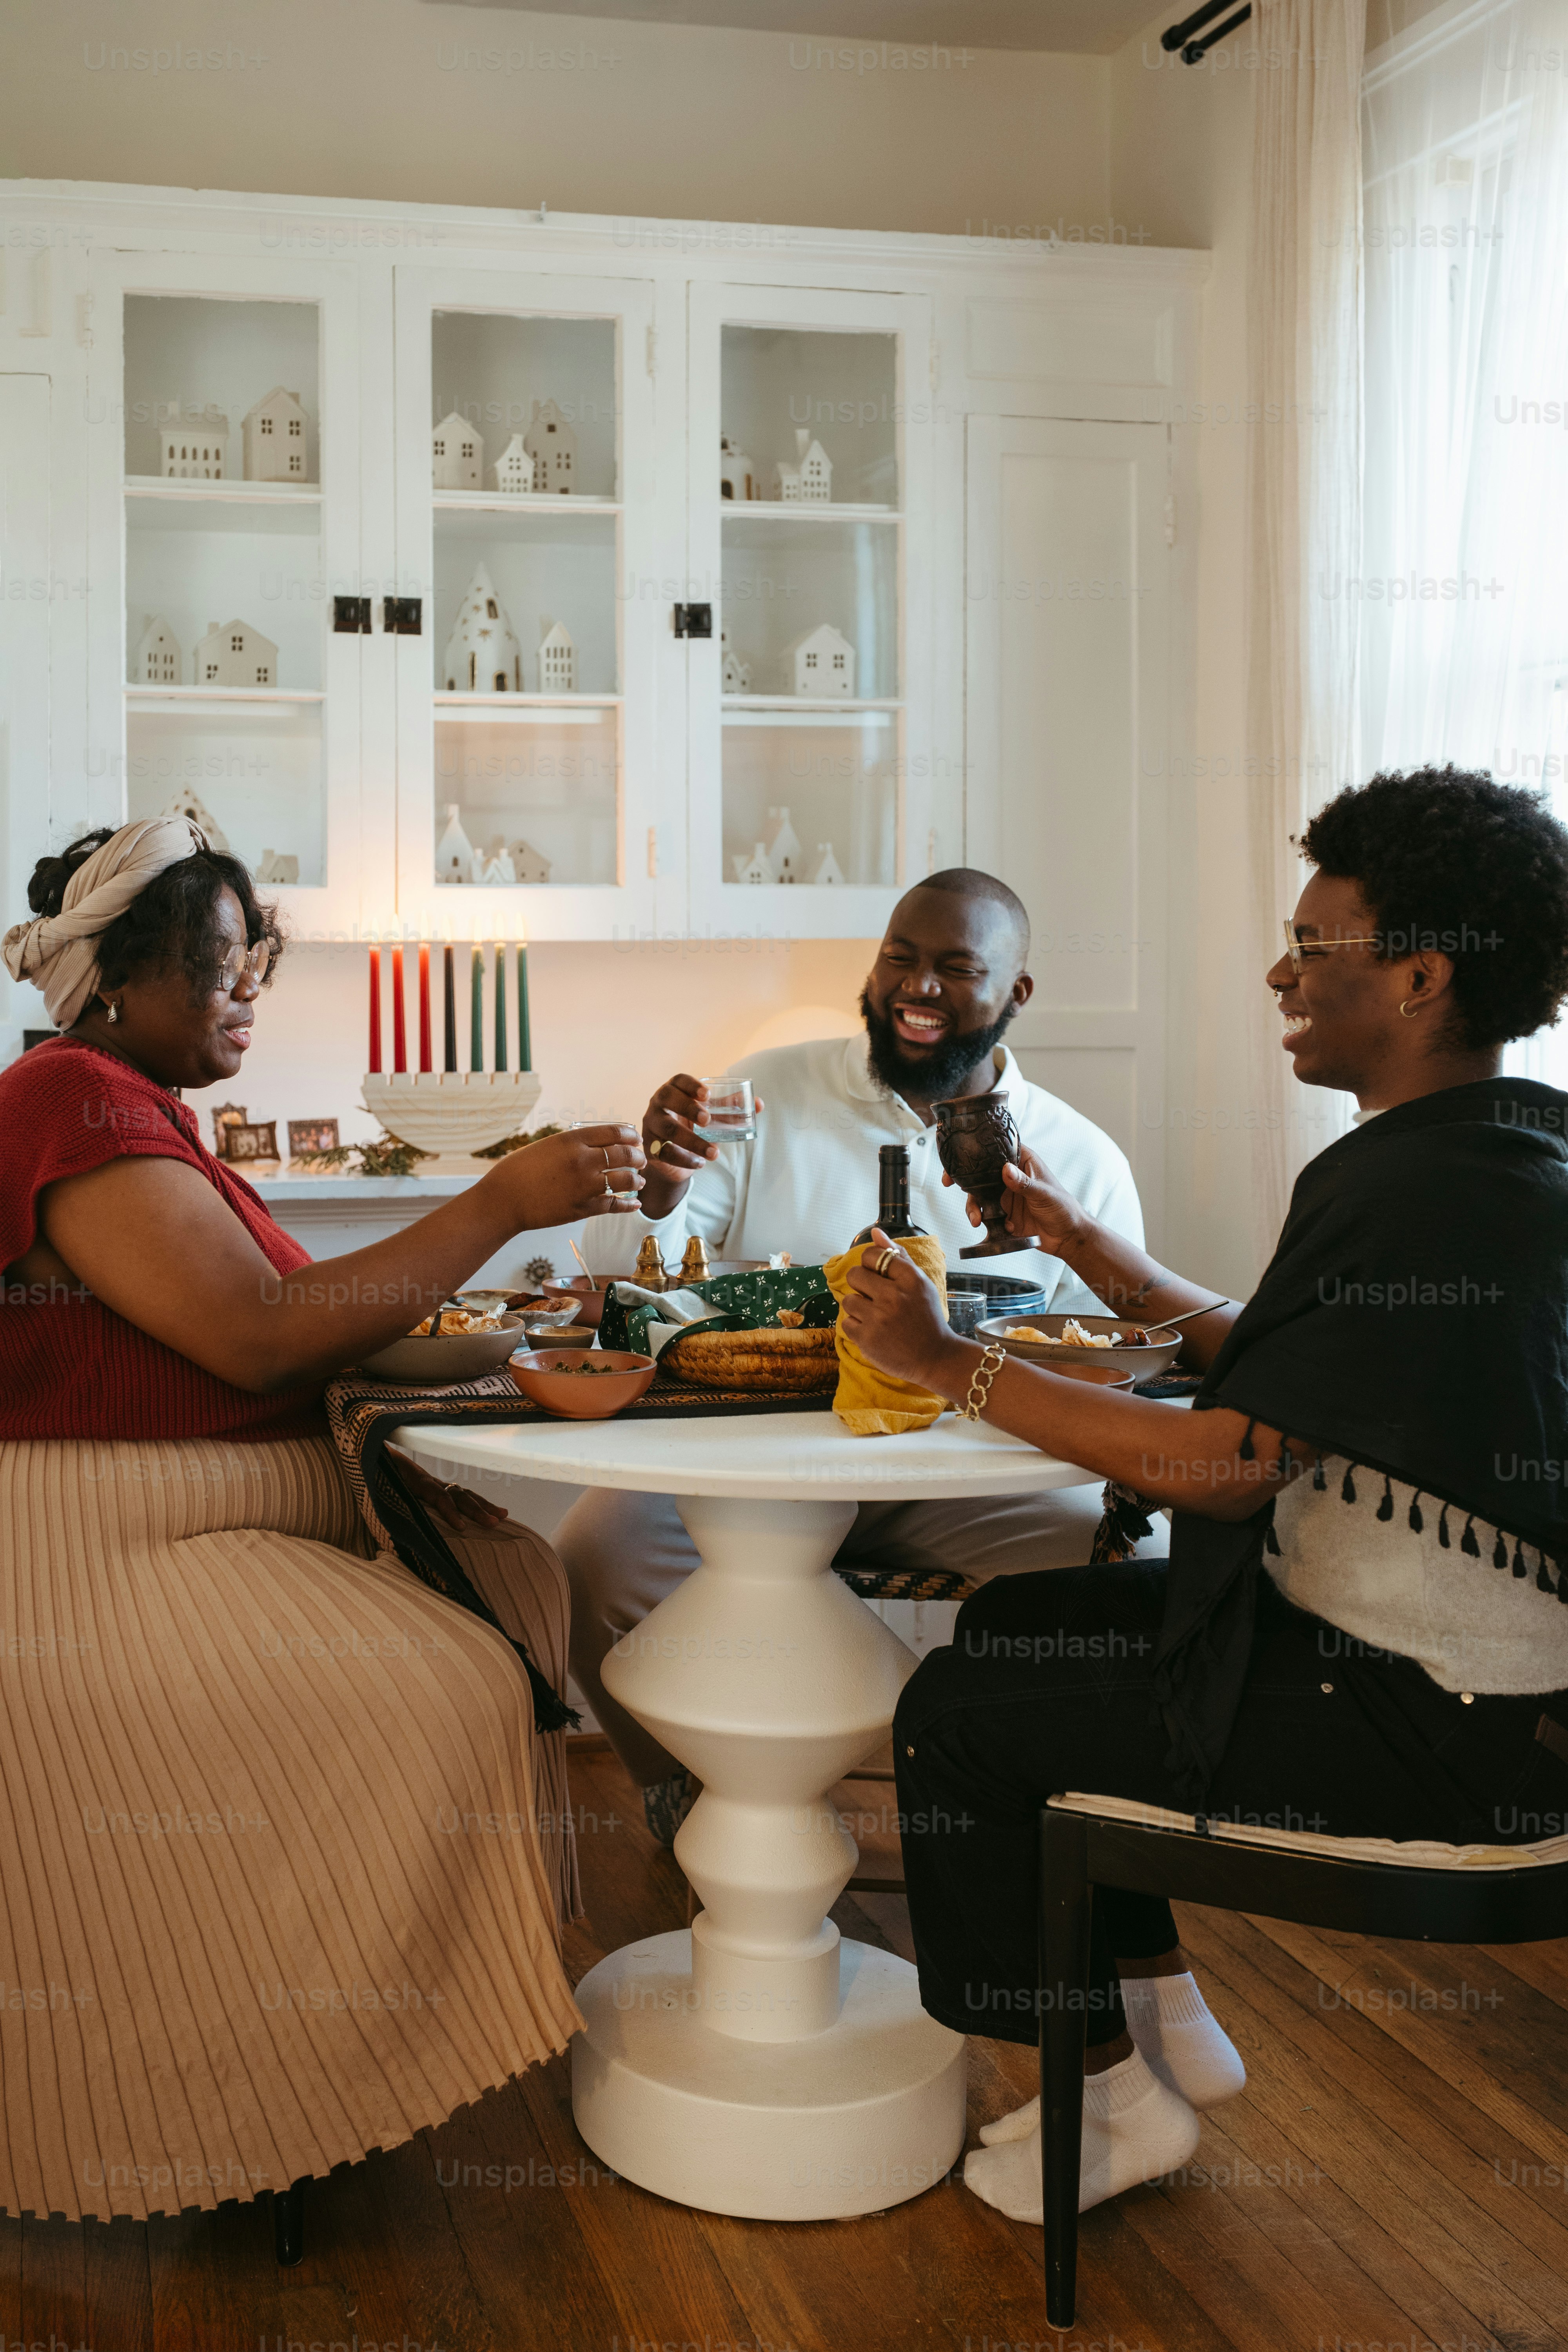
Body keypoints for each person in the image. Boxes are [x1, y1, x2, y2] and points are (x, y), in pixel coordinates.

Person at [837, 768, 1568, 2220]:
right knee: (1022, 1630)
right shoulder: (1493, 1150)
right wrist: (1092, 1247)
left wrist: (948, 1360)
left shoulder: (1417, 1187)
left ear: (1419, 978)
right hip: (1442, 1680)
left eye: (1319, 947)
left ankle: (1098, 2095)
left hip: (1442, 1727)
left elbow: (1227, 1469)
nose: (1285, 975)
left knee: (956, 1725)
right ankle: (1155, 1999)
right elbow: (1289, 1373)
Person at [0, 817, 646, 2227]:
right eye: (223, 965)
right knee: (449, 1684)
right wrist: (498, 1201)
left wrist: (517, 1325)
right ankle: (283, 2074)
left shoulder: (144, 1116)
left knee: (522, 1577)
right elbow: (257, 1336)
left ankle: (347, 2049)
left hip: (190, 1535)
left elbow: (328, 1332)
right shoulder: (71, 1102)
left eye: (256, 965)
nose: (248, 992)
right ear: (114, 976)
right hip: (95, 1563)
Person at [557, 868, 1165, 1842]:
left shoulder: (1078, 1156)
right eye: (899, 958)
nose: (917, 988)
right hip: (751, 1466)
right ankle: (686, 1801)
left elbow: (1107, 1352)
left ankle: (1044, 1839)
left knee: (1137, 1575)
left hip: (971, 1472)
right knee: (587, 1565)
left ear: (1017, 995)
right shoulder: (756, 1096)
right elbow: (627, 1284)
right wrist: (657, 1193)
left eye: (956, 969)